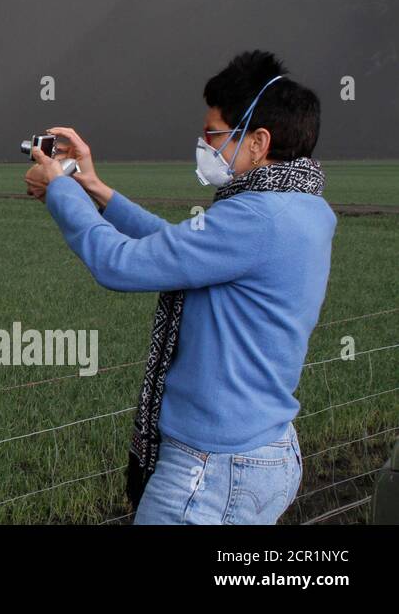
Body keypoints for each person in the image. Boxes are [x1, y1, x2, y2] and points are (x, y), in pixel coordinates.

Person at [23, 51, 336, 524]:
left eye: (213, 134)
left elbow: (118, 264)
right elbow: (179, 249)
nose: (203, 144)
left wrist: (60, 189)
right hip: (267, 448)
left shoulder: (255, 217)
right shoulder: (300, 207)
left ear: (259, 141)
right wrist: (93, 188)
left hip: (212, 471)